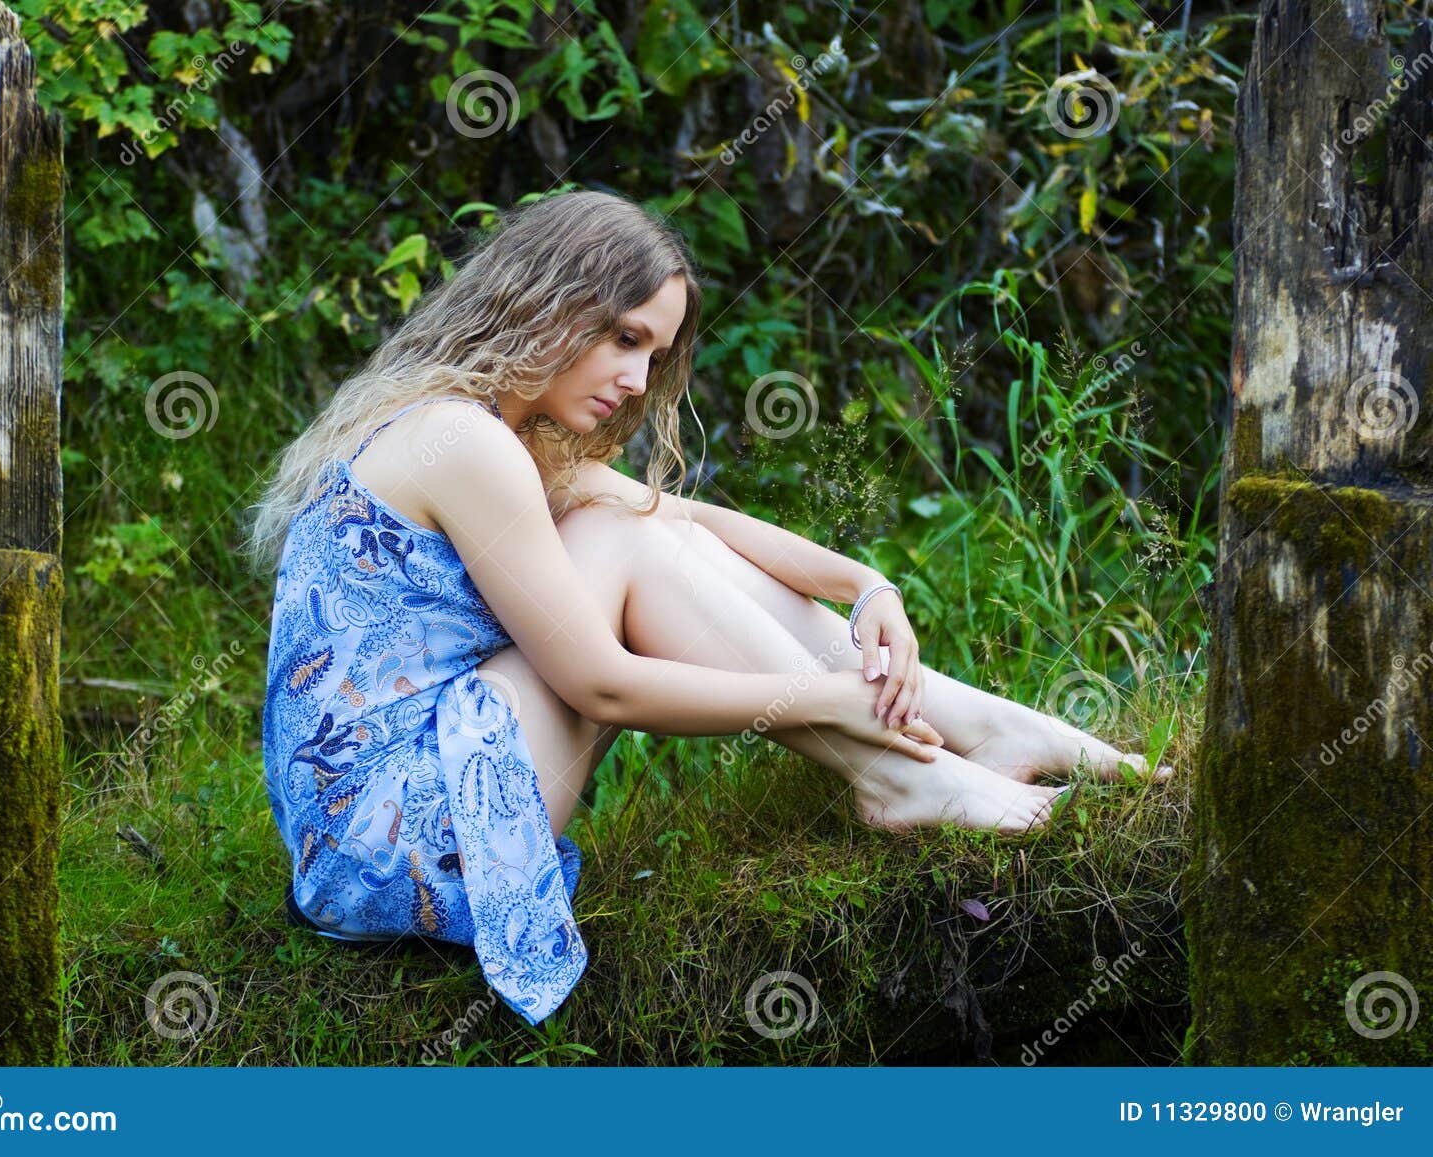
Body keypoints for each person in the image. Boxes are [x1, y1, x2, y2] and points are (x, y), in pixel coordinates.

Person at [244, 189, 1168, 1024]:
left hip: (375, 835)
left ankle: (984, 730)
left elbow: (687, 518)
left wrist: (866, 584)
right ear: (548, 303)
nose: (637, 380)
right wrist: (831, 699)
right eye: (624, 338)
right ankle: (898, 775)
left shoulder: (490, 431)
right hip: (389, 847)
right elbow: (603, 688)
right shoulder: (463, 442)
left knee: (644, 530)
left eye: (653, 353)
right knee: (624, 540)